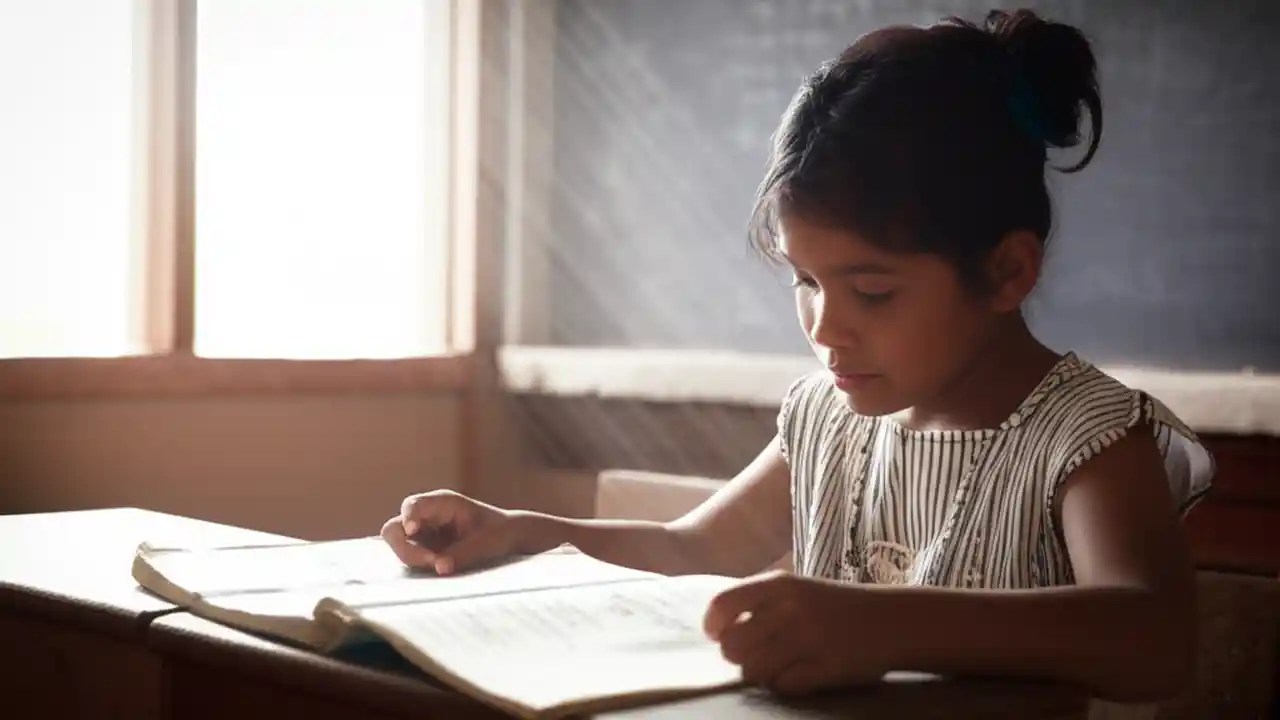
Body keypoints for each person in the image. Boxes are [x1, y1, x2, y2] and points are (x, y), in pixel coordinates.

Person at [382, 8, 1213, 705]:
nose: (826, 328)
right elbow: (691, 550)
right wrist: (520, 532)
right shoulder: (825, 416)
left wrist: (887, 626)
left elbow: (1156, 638)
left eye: (872, 292)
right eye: (805, 281)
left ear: (1006, 271)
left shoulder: (1086, 436)